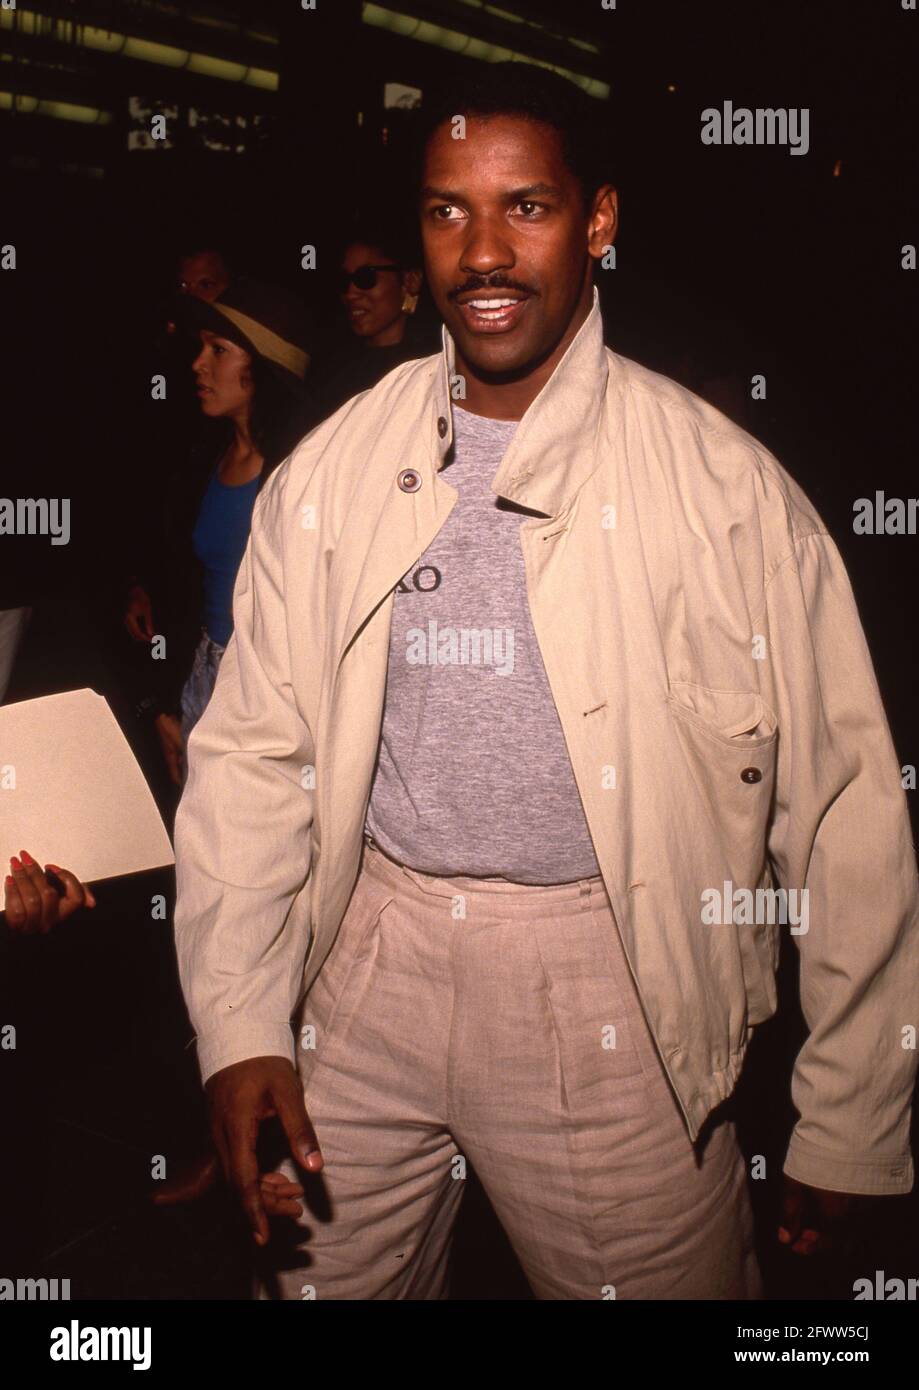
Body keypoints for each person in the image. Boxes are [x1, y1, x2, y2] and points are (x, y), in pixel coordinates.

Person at [172, 64, 919, 1300]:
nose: (483, 251)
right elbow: (254, 752)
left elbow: (844, 812)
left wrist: (851, 1116)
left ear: (600, 221)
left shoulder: (726, 492)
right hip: (367, 957)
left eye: (526, 207)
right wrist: (241, 1022)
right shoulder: (333, 473)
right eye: (446, 211)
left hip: (611, 983)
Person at [124, 280, 311, 787]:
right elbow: (182, 589)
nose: (197, 364)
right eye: (202, 347)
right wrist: (167, 704)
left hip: (273, 694)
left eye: (219, 350)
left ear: (264, 367)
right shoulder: (205, 458)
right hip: (205, 676)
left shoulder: (304, 473)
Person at [303, 223, 439, 425]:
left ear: (410, 280)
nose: (350, 293)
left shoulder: (439, 365)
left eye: (365, 278)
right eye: (343, 280)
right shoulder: (331, 370)